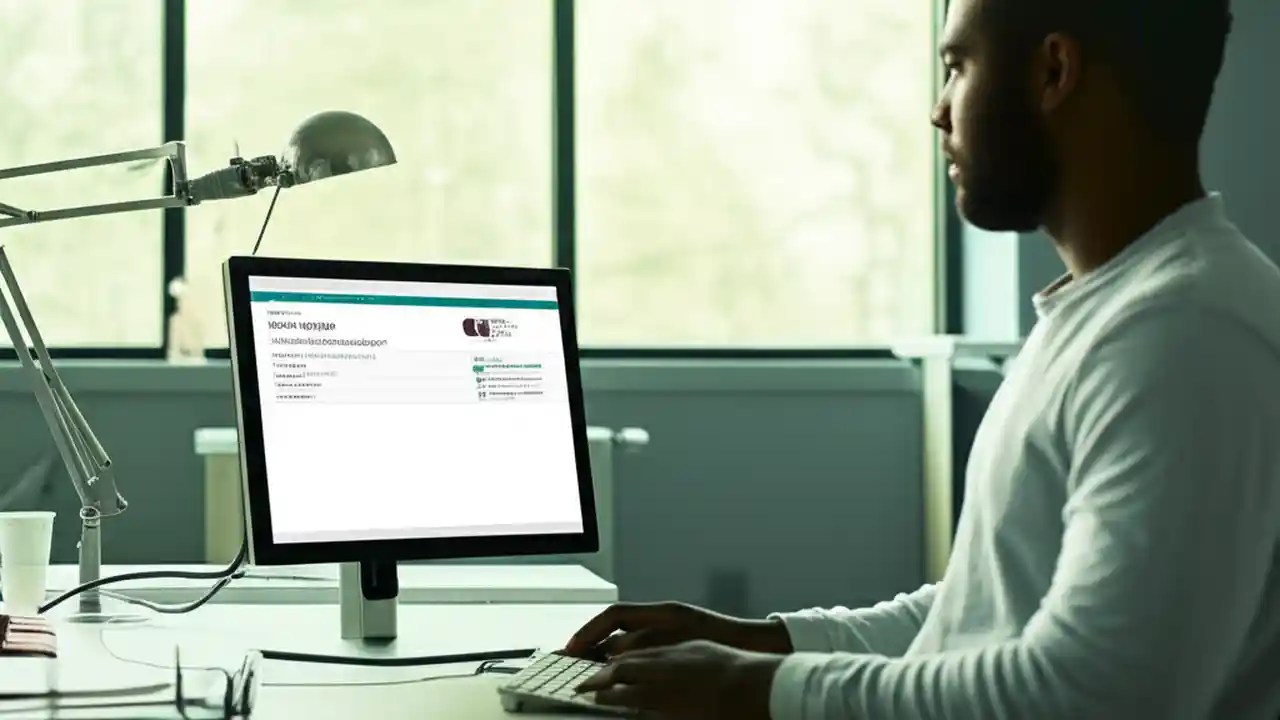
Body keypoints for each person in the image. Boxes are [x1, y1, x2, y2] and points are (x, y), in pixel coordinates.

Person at [566, 0, 1280, 718]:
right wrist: (762, 643)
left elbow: (1096, 694)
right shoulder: (1113, 311)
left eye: (956, 67)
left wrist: (752, 689)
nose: (939, 112)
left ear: (1052, 71)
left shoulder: (1184, 333)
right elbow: (991, 605)